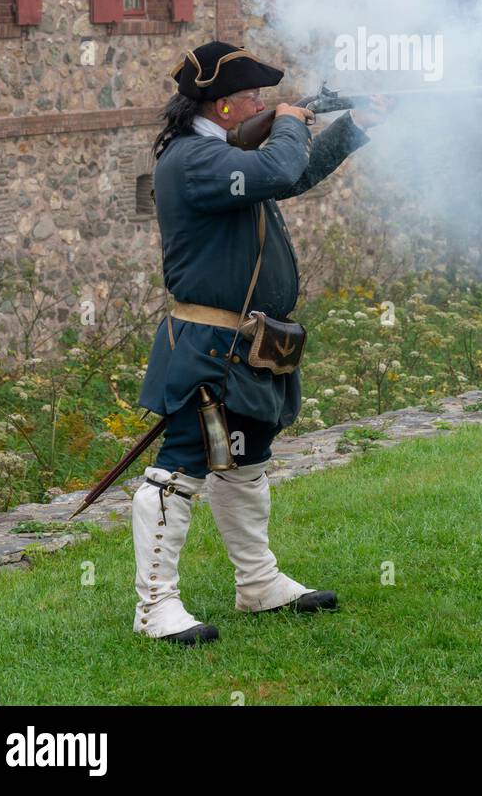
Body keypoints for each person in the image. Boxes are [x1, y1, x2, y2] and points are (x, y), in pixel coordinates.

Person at [132, 41, 382, 644]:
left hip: (250, 346)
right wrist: (293, 123)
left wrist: (355, 127)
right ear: (221, 107)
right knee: (179, 471)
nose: (263, 104)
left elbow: (290, 177)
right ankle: (155, 608)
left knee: (244, 464)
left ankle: (258, 583)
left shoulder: (222, 155)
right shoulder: (196, 160)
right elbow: (278, 168)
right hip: (208, 348)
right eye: (253, 97)